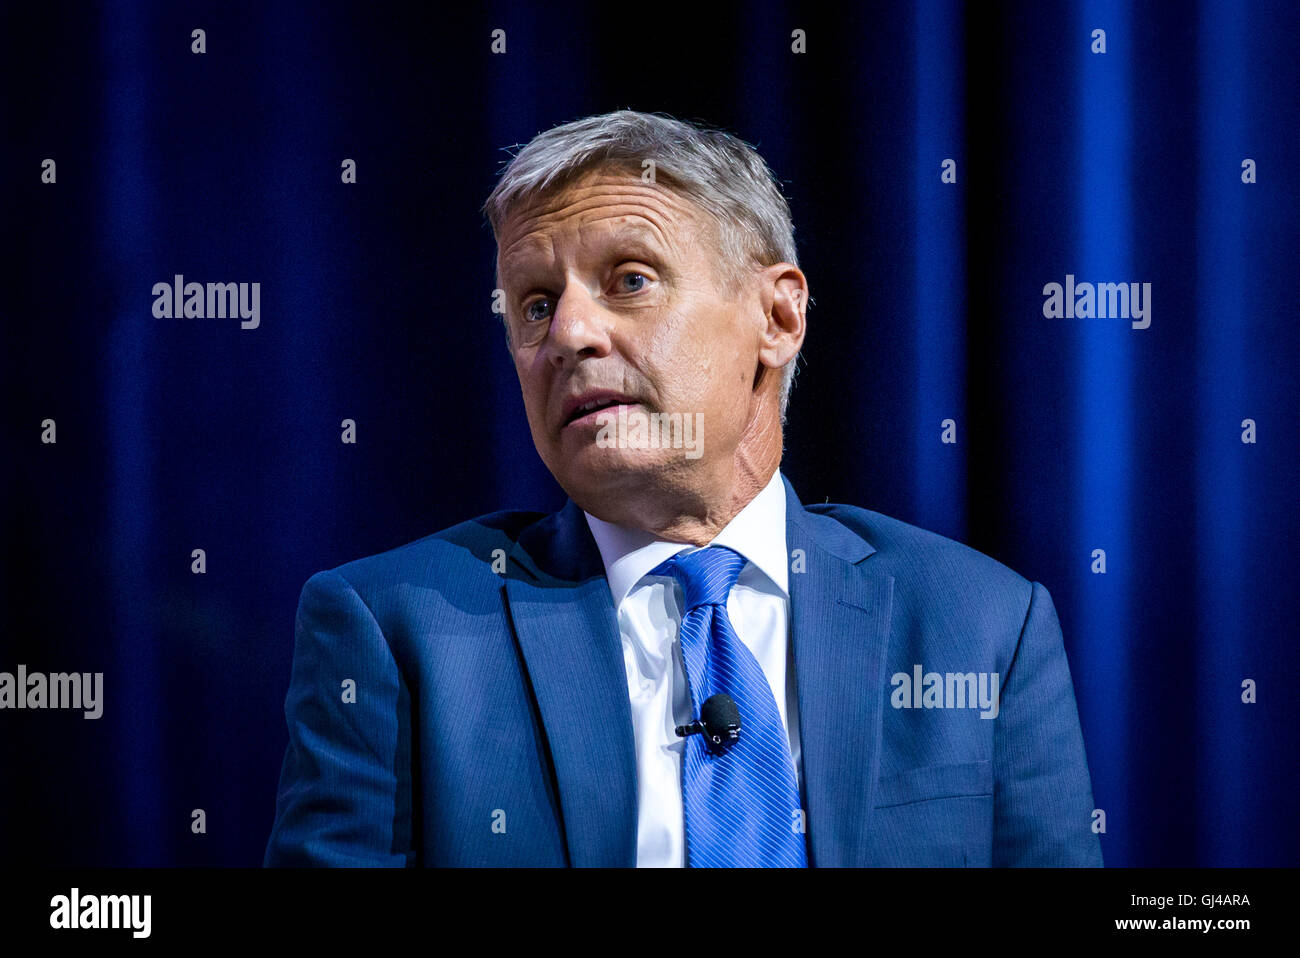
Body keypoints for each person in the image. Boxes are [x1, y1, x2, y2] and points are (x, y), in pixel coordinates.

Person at [263, 110, 1103, 867]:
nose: (569, 335)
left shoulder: (983, 623)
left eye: (630, 280)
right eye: (534, 304)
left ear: (776, 320)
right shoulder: (400, 628)